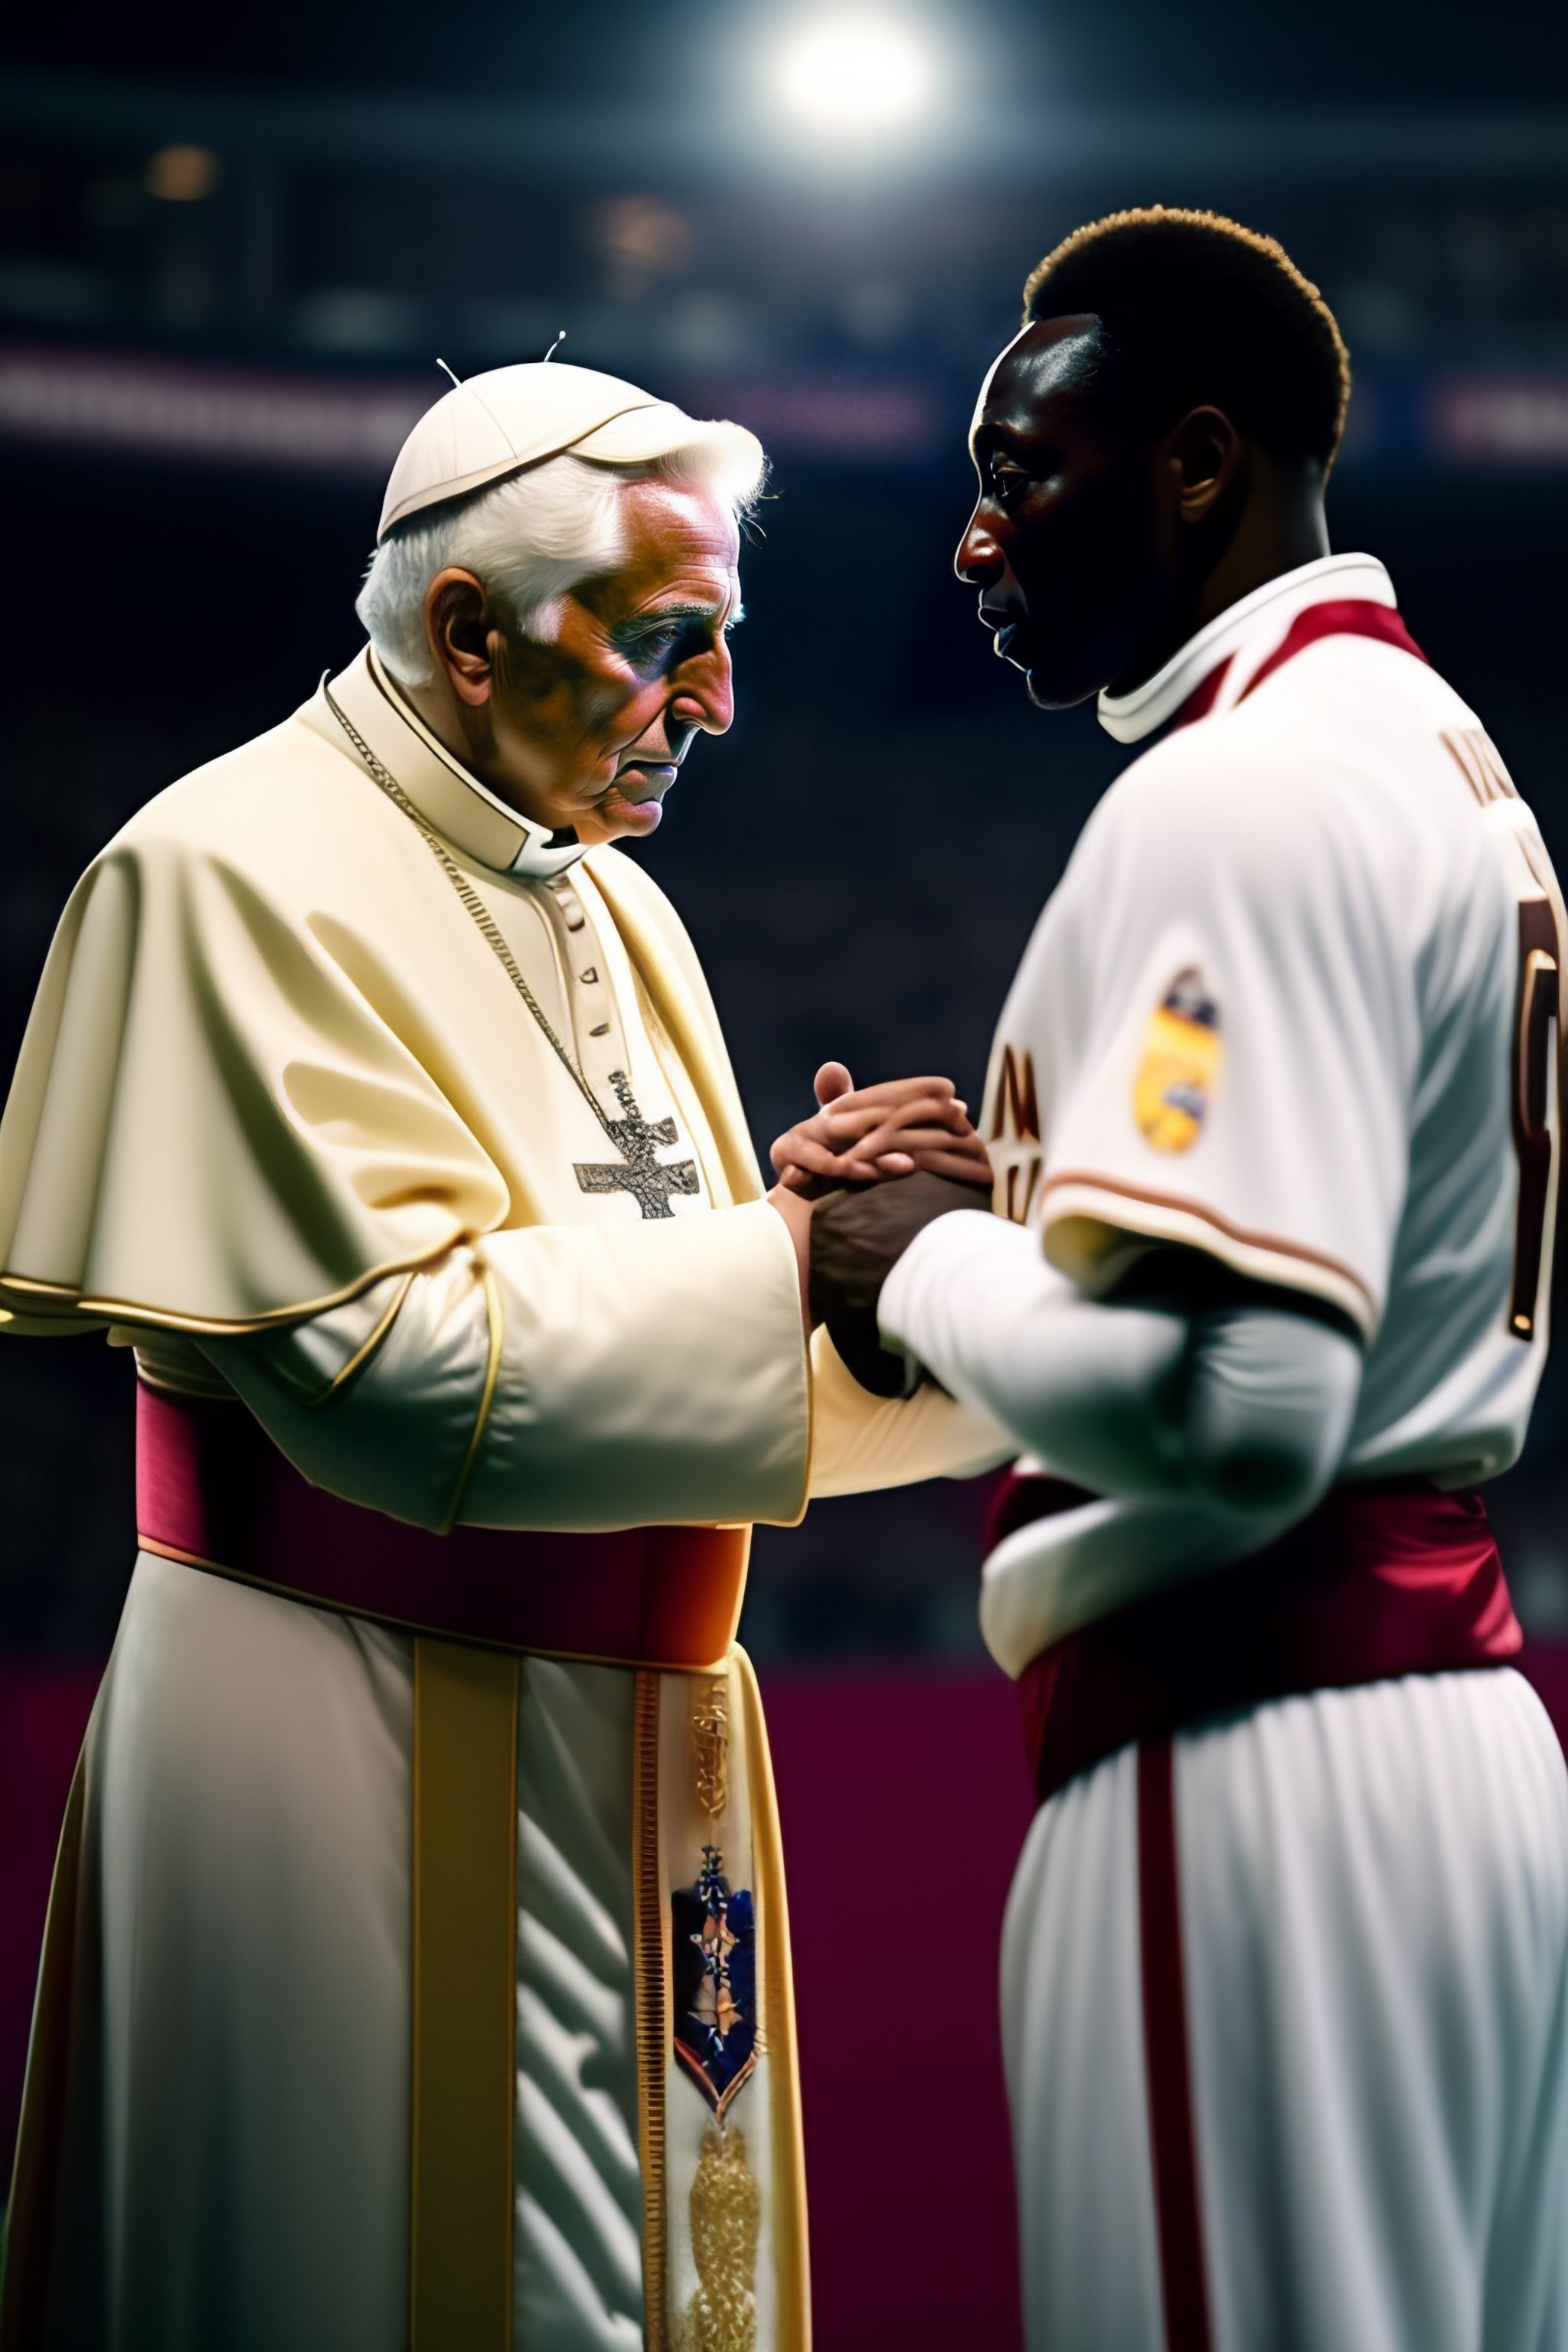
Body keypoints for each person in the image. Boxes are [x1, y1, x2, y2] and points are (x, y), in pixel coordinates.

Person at [0, 359, 1004, 2352]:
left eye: (724, 643)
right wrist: (797, 1256)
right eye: (665, 644)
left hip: (646, 1771)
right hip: (343, 1744)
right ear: (469, 634)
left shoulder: (621, 909)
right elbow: (398, 1374)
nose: (717, 703)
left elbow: (724, 1375)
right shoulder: (223, 878)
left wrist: (946, 1294)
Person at [785, 209, 1568, 2350]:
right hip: (1437, 1752)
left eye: (1019, 472)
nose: (970, 540)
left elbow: (1241, 1409)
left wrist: (924, 1261)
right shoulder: (1424, 757)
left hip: (1255, 1758)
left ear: (1201, 466)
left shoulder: (1246, 789)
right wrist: (1018, 1210)